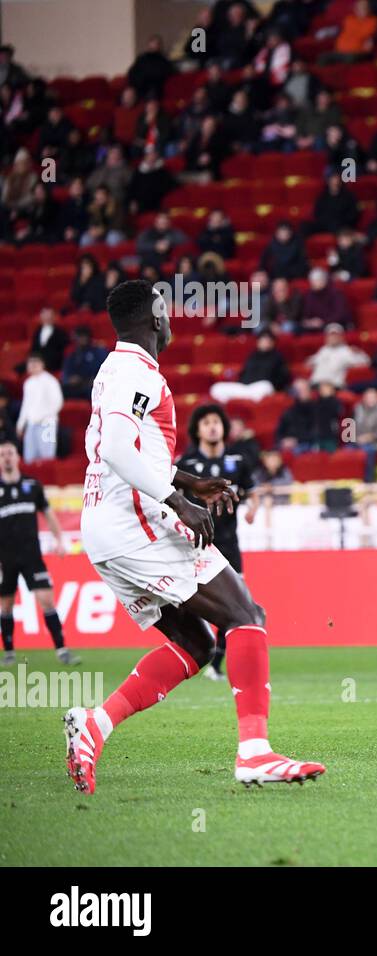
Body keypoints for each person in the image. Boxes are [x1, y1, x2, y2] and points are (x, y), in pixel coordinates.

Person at [65, 280, 324, 794]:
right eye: (165, 311)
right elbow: (117, 447)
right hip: (135, 524)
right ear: (151, 318)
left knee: (195, 643)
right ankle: (254, 752)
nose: (171, 320)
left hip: (105, 529)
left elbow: (129, 450)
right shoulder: (135, 371)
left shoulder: (113, 370)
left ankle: (94, 726)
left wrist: (188, 481)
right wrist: (176, 500)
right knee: (245, 613)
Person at [175, 404, 259, 681]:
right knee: (191, 603)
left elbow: (253, 491)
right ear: (197, 429)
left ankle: (217, 664)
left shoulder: (239, 460)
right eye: (206, 422)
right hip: (195, 544)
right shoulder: (186, 465)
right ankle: (195, 652)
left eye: (216, 422)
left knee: (237, 602)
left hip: (229, 543)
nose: (212, 426)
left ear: (223, 427)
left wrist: (252, 509)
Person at [0, 440, 76, 666]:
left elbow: (48, 513)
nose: (6, 457)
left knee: (47, 600)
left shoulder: (32, 486)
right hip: (5, 558)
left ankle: (62, 650)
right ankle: (10, 653)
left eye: (10, 453)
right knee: (5, 605)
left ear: (17, 457)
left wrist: (59, 539)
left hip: (32, 556)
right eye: (2, 454)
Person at [17, 354, 62, 462]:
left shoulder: (50, 381)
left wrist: (45, 416)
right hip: (32, 423)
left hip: (47, 423)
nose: (33, 365)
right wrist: (21, 423)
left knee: (47, 456)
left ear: (42, 364)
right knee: (29, 457)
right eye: (30, 363)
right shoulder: (28, 383)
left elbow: (57, 402)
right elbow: (26, 405)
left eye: (36, 362)